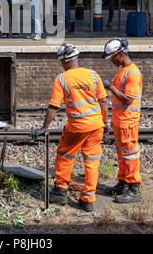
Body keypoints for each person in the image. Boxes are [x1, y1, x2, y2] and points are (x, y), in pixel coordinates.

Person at [30, 43, 108, 212]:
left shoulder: (62, 79)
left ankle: (60, 191)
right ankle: (88, 200)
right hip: (96, 126)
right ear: (76, 57)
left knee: (65, 156)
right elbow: (103, 101)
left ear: (64, 61)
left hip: (77, 127)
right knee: (92, 161)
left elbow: (53, 106)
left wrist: (44, 128)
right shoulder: (93, 75)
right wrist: (105, 122)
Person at [102, 38, 142, 203]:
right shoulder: (122, 70)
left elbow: (127, 100)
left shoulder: (132, 73)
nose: (111, 61)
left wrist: (110, 87)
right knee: (123, 154)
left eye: (112, 57)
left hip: (128, 122)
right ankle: (123, 183)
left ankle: (134, 188)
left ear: (119, 54)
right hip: (121, 121)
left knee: (130, 155)